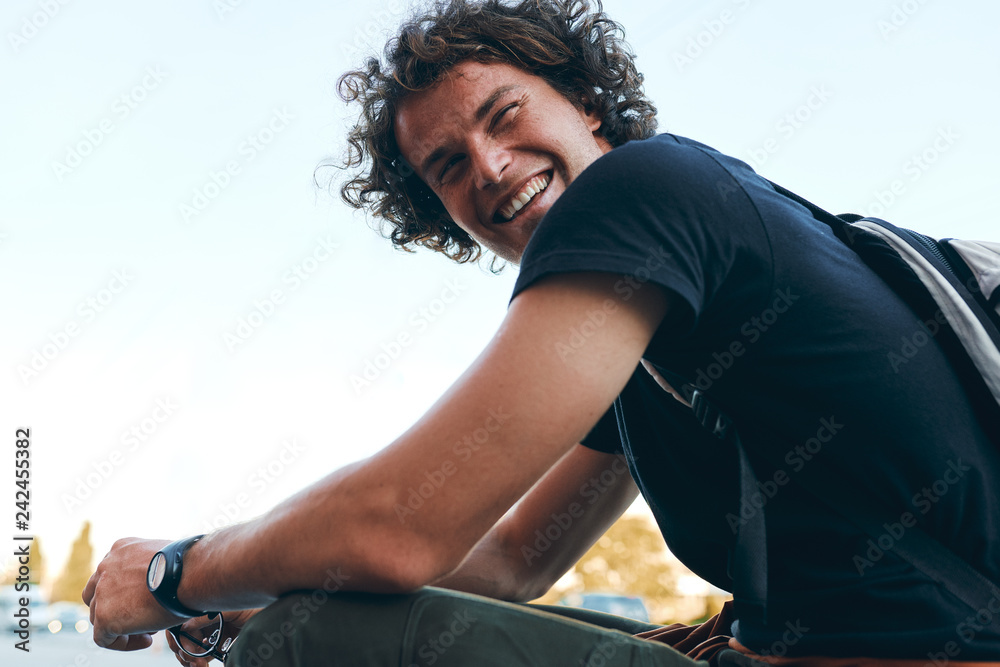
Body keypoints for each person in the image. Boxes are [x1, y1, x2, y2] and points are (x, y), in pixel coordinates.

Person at [84, 0, 1000, 665]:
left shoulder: (647, 189)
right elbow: (513, 559)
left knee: (308, 640)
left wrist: (176, 571)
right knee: (308, 612)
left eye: (504, 115)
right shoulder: (641, 350)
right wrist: (278, 577)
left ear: (584, 104)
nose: (489, 167)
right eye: (446, 165)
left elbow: (399, 525)